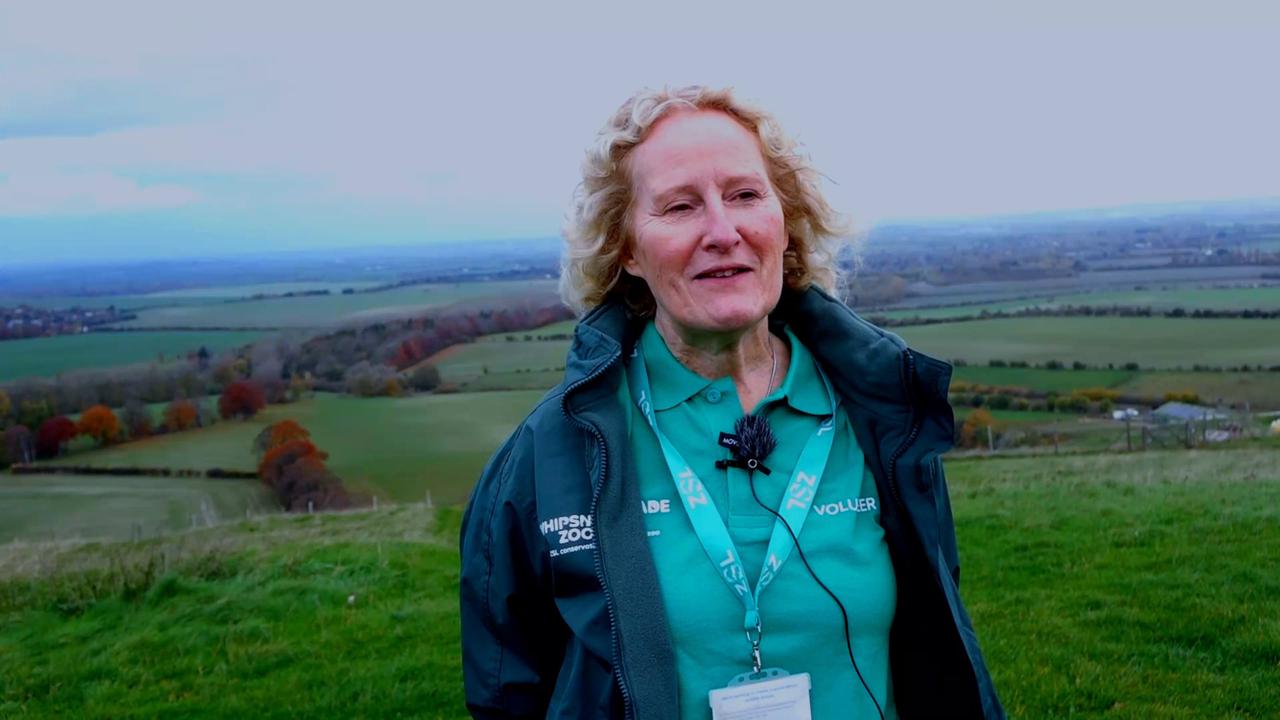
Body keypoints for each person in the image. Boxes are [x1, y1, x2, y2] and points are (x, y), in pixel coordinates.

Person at [460, 85, 1003, 719]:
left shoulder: (882, 415)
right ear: (627, 249)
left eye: (746, 195)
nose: (724, 231)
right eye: (680, 206)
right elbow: (508, 692)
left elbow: (936, 644)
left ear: (785, 222)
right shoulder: (549, 454)